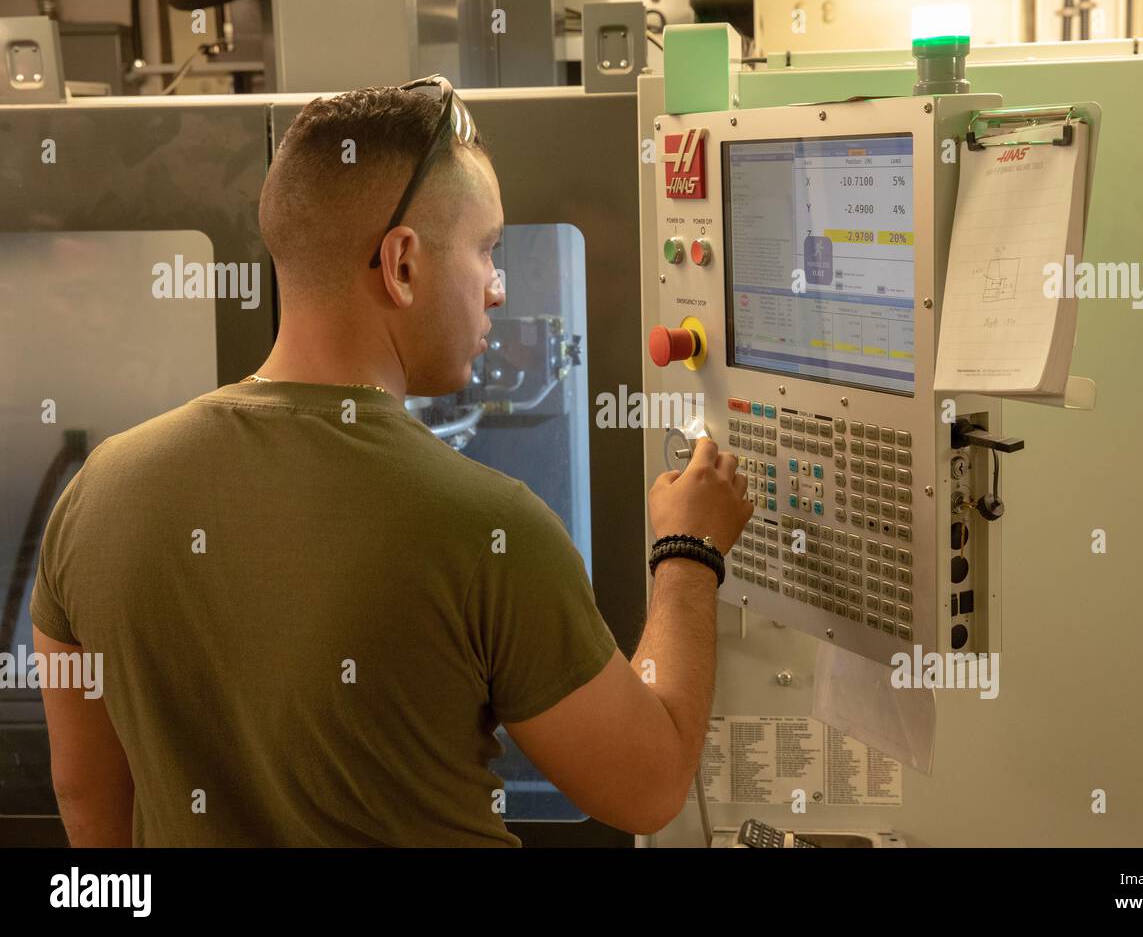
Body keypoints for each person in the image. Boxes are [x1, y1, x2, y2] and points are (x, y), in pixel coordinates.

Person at [31, 80, 752, 846]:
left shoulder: (97, 492)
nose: (499, 290)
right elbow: (648, 788)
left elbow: (85, 798)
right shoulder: (490, 529)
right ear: (402, 264)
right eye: (487, 251)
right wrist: (688, 551)